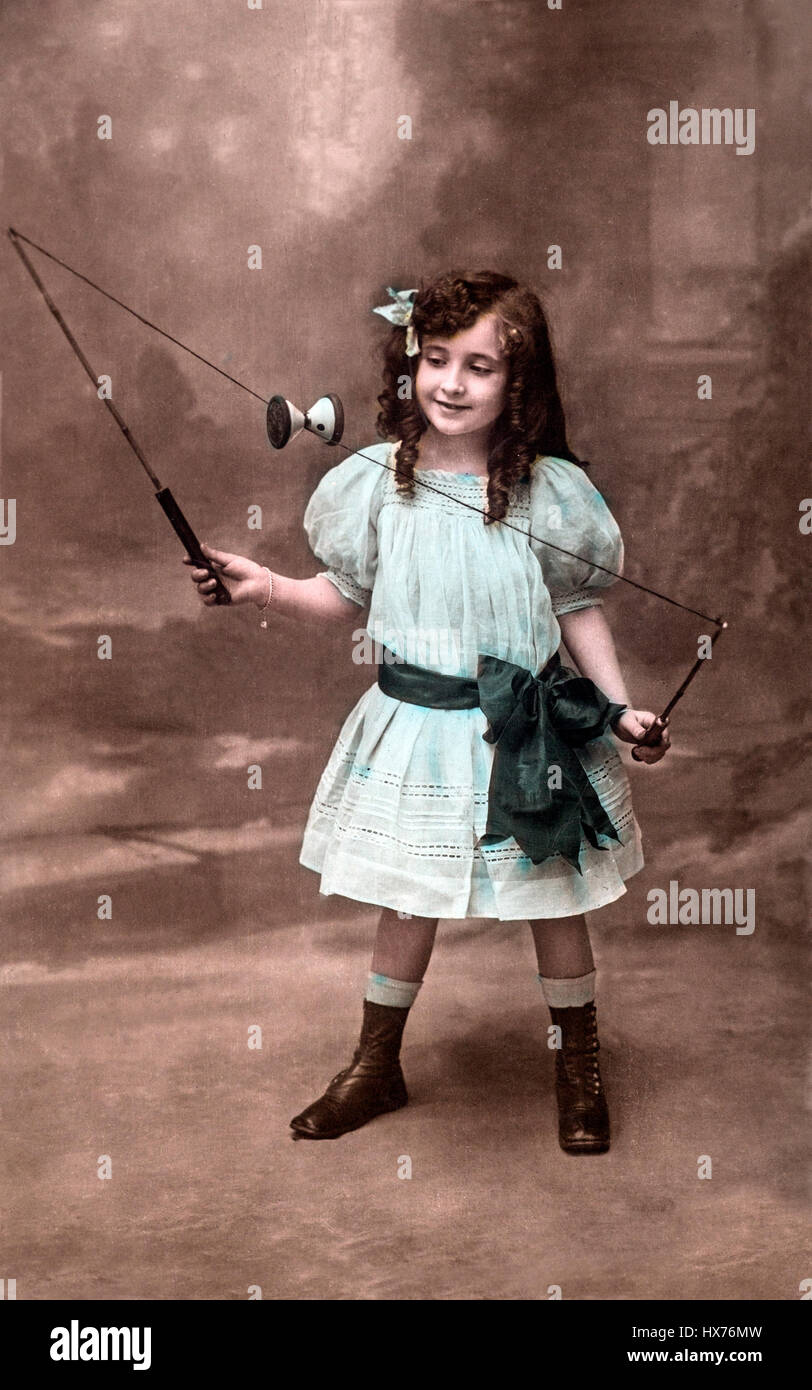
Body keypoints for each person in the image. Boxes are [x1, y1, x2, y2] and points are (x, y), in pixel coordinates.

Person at [185, 270, 670, 1155]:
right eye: (436, 359)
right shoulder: (375, 482)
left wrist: (621, 711)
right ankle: (377, 1063)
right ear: (409, 364)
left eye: (479, 367)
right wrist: (267, 588)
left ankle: (577, 1064)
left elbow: (578, 609)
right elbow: (345, 596)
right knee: (409, 899)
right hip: (416, 727)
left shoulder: (546, 490)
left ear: (517, 385)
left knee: (553, 898)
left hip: (524, 729)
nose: (451, 383)